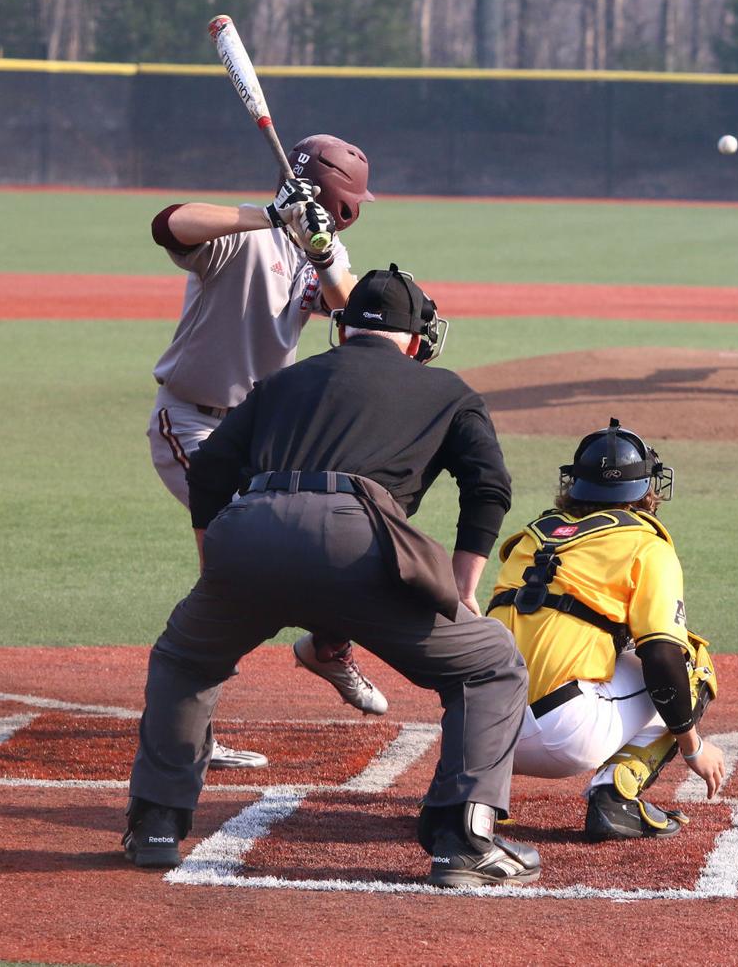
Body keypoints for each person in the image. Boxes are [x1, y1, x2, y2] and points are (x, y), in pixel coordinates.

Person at [122, 265, 540, 888]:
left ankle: (156, 826)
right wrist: (464, 587)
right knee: (490, 665)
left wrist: (217, 565)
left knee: (185, 659)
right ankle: (462, 842)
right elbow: (488, 487)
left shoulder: (282, 381)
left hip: (251, 528)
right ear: (419, 338)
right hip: (359, 538)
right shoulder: (447, 390)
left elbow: (209, 469)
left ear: (341, 331)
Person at [147, 134, 386, 769]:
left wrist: (324, 249)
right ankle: (191, 734)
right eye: (351, 202)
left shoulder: (318, 242)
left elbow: (355, 313)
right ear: (342, 198)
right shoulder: (242, 236)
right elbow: (169, 224)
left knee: (331, 529)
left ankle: (327, 645)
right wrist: (268, 216)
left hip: (264, 438)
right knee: (235, 569)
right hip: (194, 425)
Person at [487, 419, 725, 841]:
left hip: (478, 736)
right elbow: (662, 658)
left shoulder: (528, 539)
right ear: (646, 491)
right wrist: (694, 747)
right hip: (562, 736)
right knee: (690, 661)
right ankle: (616, 791)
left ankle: (478, 797)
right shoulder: (645, 545)